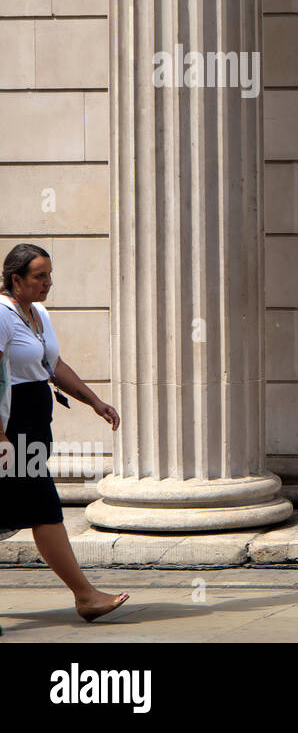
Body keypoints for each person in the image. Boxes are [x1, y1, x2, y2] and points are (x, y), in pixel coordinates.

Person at [0, 243, 128, 624]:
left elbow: (52, 364)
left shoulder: (37, 313)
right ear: (15, 279)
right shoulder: (1, 316)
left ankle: (85, 596)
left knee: (35, 507)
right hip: (12, 426)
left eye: (49, 275)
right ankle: (85, 596)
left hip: (35, 425)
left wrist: (94, 401)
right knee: (43, 506)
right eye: (40, 276)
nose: (48, 283)